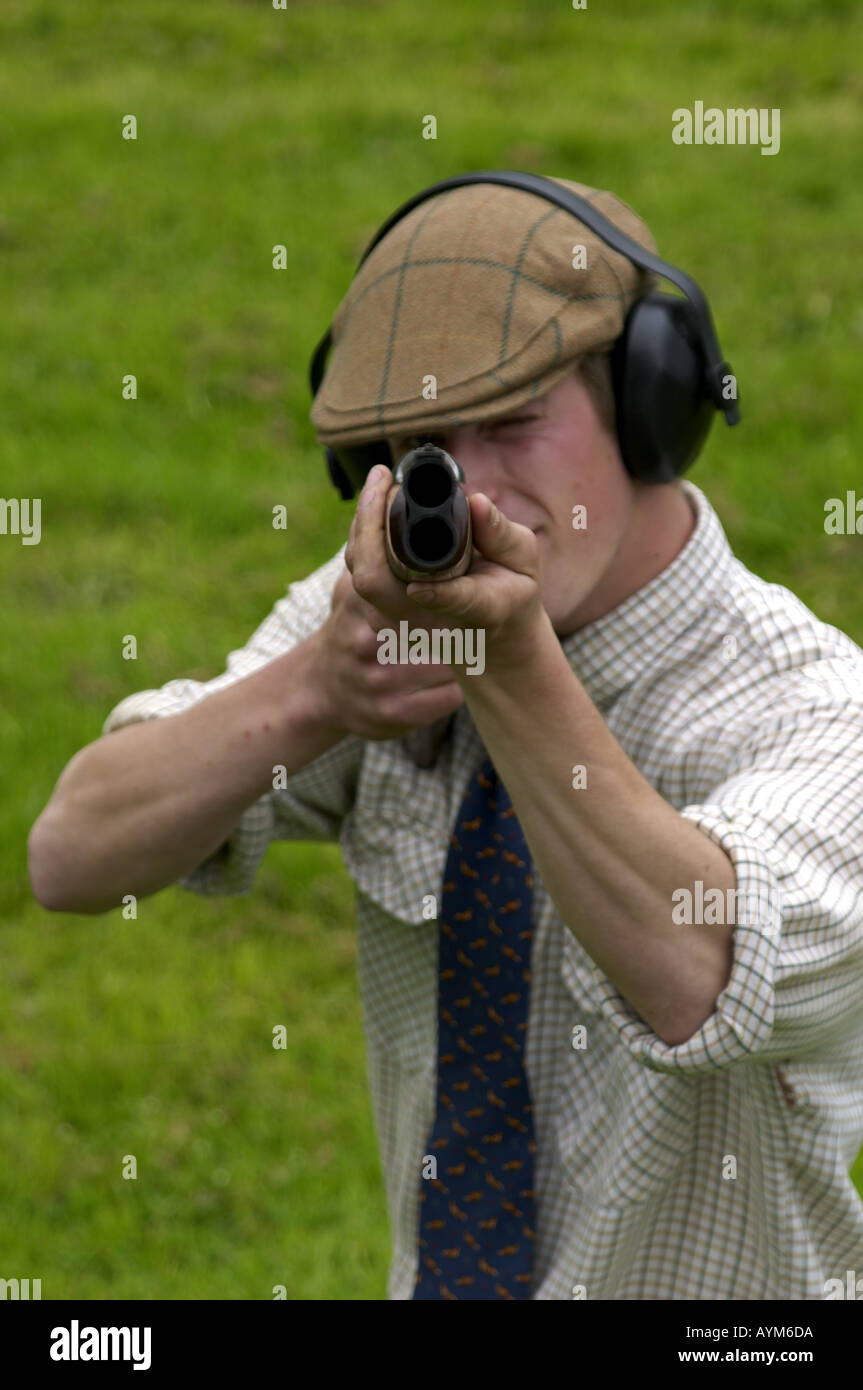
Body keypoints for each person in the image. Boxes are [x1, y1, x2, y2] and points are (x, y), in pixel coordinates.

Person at [28, 174, 863, 1300]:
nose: (468, 485)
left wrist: (503, 662)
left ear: (648, 399)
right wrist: (316, 689)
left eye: (515, 417)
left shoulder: (812, 706)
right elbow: (73, 854)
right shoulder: (383, 612)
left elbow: (697, 971)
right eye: (423, 442)